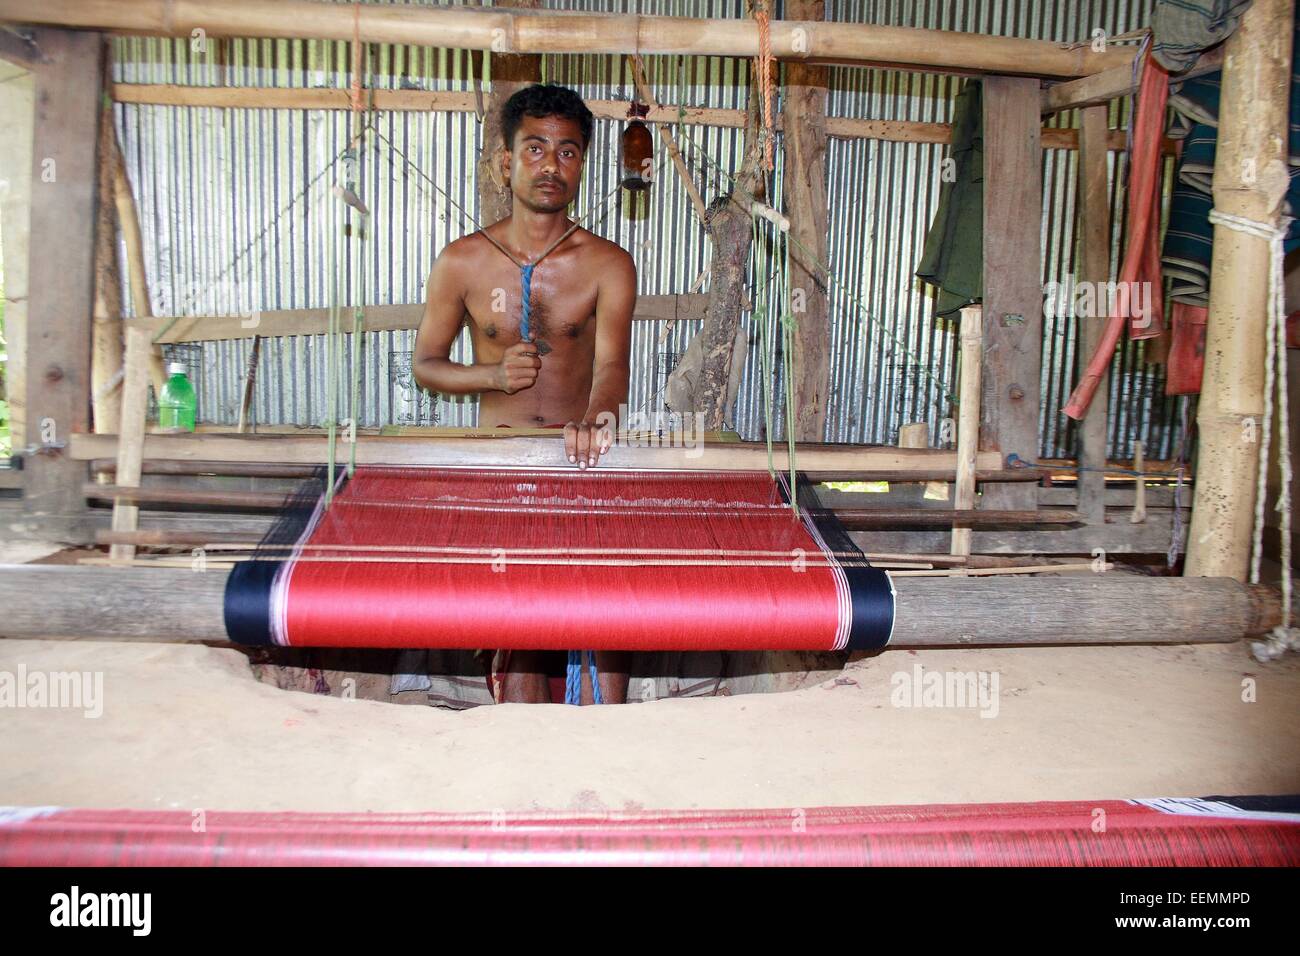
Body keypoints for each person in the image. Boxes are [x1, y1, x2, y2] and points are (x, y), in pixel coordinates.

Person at [413, 83, 636, 704]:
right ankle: (524, 777)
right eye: (534, 148)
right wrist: (488, 376)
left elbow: (613, 363)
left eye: (567, 152)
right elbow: (426, 365)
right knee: (518, 627)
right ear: (505, 161)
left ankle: (606, 767)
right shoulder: (461, 261)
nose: (550, 165)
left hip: (583, 465)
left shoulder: (608, 264)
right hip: (502, 469)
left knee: (600, 619)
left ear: (583, 165)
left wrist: (595, 420)